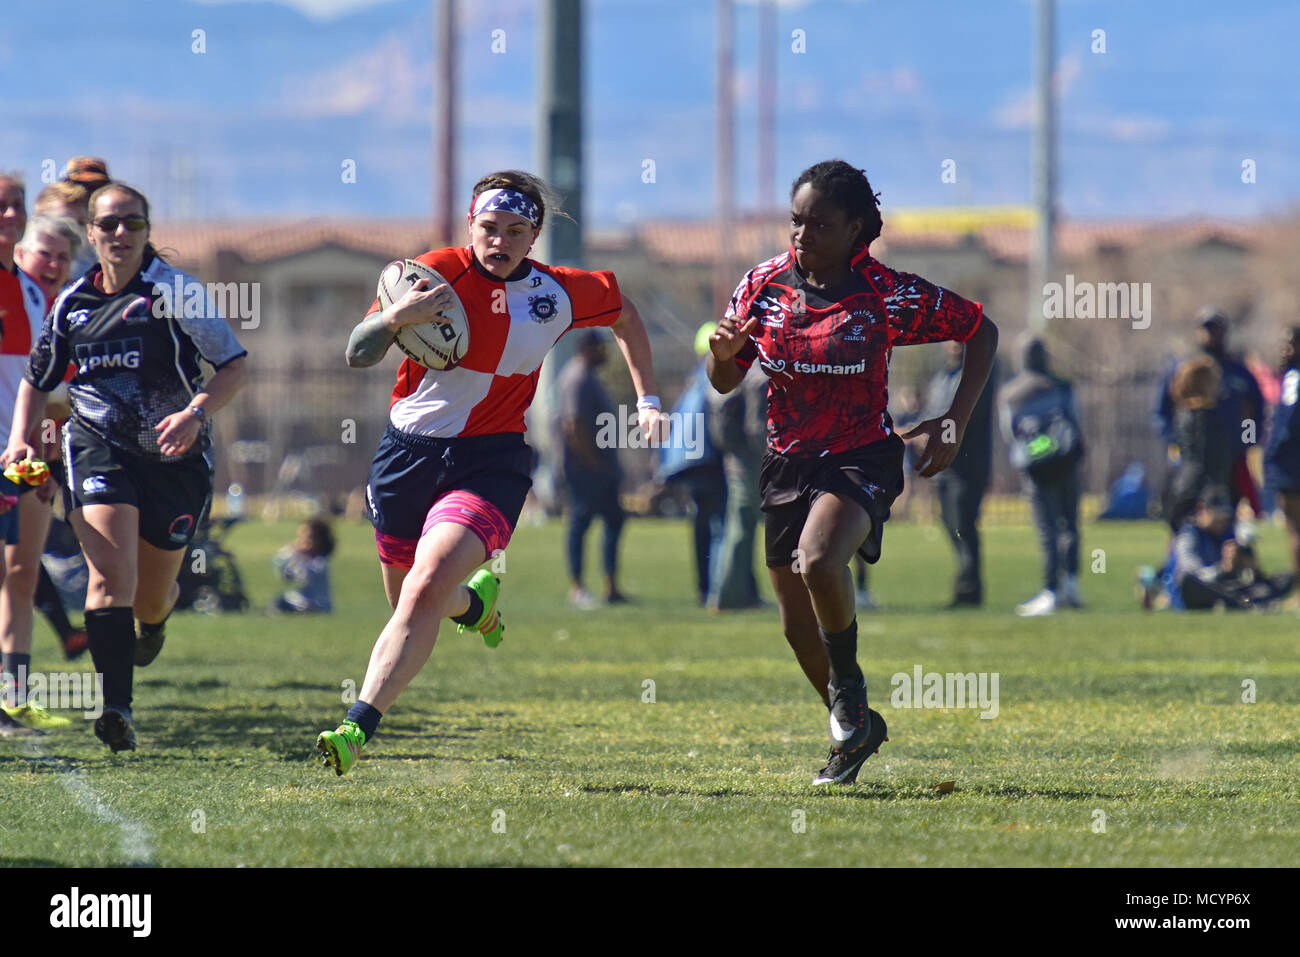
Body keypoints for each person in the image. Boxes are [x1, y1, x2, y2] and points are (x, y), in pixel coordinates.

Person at [315, 170, 666, 776]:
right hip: (407, 455)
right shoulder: (429, 273)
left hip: (491, 460)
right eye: (488, 228)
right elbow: (358, 351)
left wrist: (649, 401)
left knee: (422, 591)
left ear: (533, 238)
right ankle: (474, 610)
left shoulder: (558, 292)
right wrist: (400, 317)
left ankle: (357, 725)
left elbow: (626, 315)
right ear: (470, 226)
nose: (498, 241)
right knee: (406, 596)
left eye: (514, 231)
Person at [707, 159, 997, 785]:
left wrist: (955, 419)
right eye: (795, 221)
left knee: (819, 561)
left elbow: (980, 329)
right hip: (786, 461)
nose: (802, 235)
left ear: (857, 228)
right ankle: (855, 726)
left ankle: (851, 689)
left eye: (820, 223)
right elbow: (727, 381)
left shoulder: (887, 294)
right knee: (794, 624)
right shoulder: (762, 285)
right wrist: (723, 358)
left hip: (862, 456)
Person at [1, 182, 249, 752]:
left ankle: (153, 626)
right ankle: (116, 709)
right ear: (90, 233)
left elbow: (234, 367)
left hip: (173, 459)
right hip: (94, 448)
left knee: (151, 597)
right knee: (109, 575)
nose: (119, 234)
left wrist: (194, 413)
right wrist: (20, 441)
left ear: (146, 231)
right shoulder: (70, 304)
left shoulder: (175, 294)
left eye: (131, 224)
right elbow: (36, 385)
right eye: (107, 224)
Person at [14, 215, 90, 662]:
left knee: (20, 569)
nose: (55, 263)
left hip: (42, 452)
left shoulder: (66, 313)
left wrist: (44, 455)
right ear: (20, 254)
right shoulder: (16, 304)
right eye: (45, 253)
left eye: (64, 257)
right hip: (24, 449)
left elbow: (61, 397)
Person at [999, 338, 1084, 617]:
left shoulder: (1011, 393)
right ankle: (1071, 584)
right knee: (1069, 524)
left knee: (1048, 530)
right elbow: (1075, 420)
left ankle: (1051, 590)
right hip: (1066, 462)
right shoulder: (1062, 385)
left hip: (1035, 469)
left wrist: (1032, 452)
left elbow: (1009, 433)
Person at [1154, 309, 1264, 515]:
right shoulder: (1184, 368)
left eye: (1215, 330)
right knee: (1188, 513)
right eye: (1206, 330)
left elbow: (1253, 412)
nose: (1211, 335)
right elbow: (1163, 412)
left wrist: (1245, 442)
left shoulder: (1238, 372)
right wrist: (1175, 441)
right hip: (1192, 458)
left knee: (1225, 512)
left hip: (1230, 457)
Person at [922, 340, 998, 607]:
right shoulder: (942, 377)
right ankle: (965, 582)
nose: (955, 345)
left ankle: (970, 589)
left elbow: (967, 417)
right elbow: (932, 412)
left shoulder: (977, 378)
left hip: (968, 465)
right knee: (950, 523)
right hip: (944, 466)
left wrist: (933, 434)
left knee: (964, 525)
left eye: (961, 340)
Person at [556, 330, 628, 608]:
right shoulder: (577, 378)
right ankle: (577, 588)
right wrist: (593, 462)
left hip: (601, 468)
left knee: (614, 520)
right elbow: (573, 426)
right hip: (584, 469)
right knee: (580, 524)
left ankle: (612, 586)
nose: (604, 353)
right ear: (587, 348)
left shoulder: (589, 377)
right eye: (600, 348)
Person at [657, 323, 725, 606]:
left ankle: (704, 588)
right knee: (722, 527)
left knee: (701, 527)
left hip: (687, 464)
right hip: (709, 462)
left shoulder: (693, 381)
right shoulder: (715, 379)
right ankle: (722, 588)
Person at [705, 359, 766, 610]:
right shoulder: (758, 379)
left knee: (736, 526)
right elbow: (756, 429)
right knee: (741, 529)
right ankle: (728, 595)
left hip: (732, 460)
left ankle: (729, 593)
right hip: (752, 462)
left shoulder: (733, 375)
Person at [1163, 355, 1234, 532]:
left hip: (1186, 486)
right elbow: (1202, 458)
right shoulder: (1202, 417)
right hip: (1198, 491)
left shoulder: (1185, 413)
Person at [1264, 327, 1300, 597]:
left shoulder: (1293, 378)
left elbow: (1288, 423)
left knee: (1295, 529)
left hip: (1291, 467)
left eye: (1291, 344)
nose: (1285, 349)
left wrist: (1271, 455)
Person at [272, 518, 335, 613]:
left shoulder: (320, 562)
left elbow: (306, 576)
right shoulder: (300, 559)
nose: (300, 542)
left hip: (317, 604)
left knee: (281, 603)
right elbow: (286, 577)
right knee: (279, 600)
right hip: (304, 601)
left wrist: (297, 556)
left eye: (305, 539)